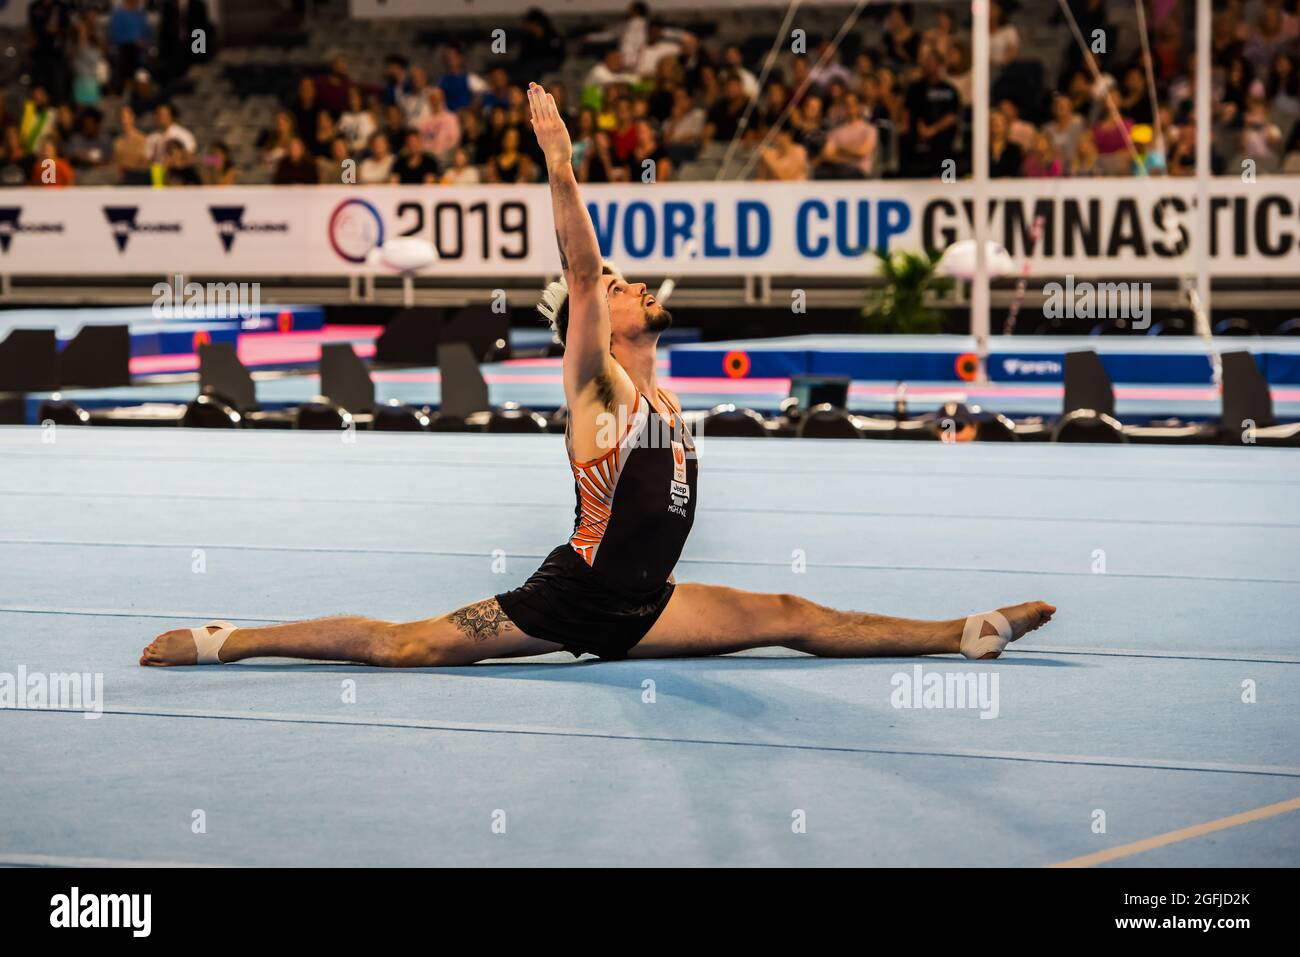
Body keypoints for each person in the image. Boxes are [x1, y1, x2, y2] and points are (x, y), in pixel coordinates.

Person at [140, 81, 1057, 671]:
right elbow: (580, 272)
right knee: (404, 646)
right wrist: (561, 168)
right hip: (572, 596)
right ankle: (229, 638)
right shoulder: (602, 386)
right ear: (596, 318)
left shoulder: (660, 390)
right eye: (623, 285)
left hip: (646, 605)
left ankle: (962, 631)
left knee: (791, 612)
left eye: (630, 281)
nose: (634, 284)